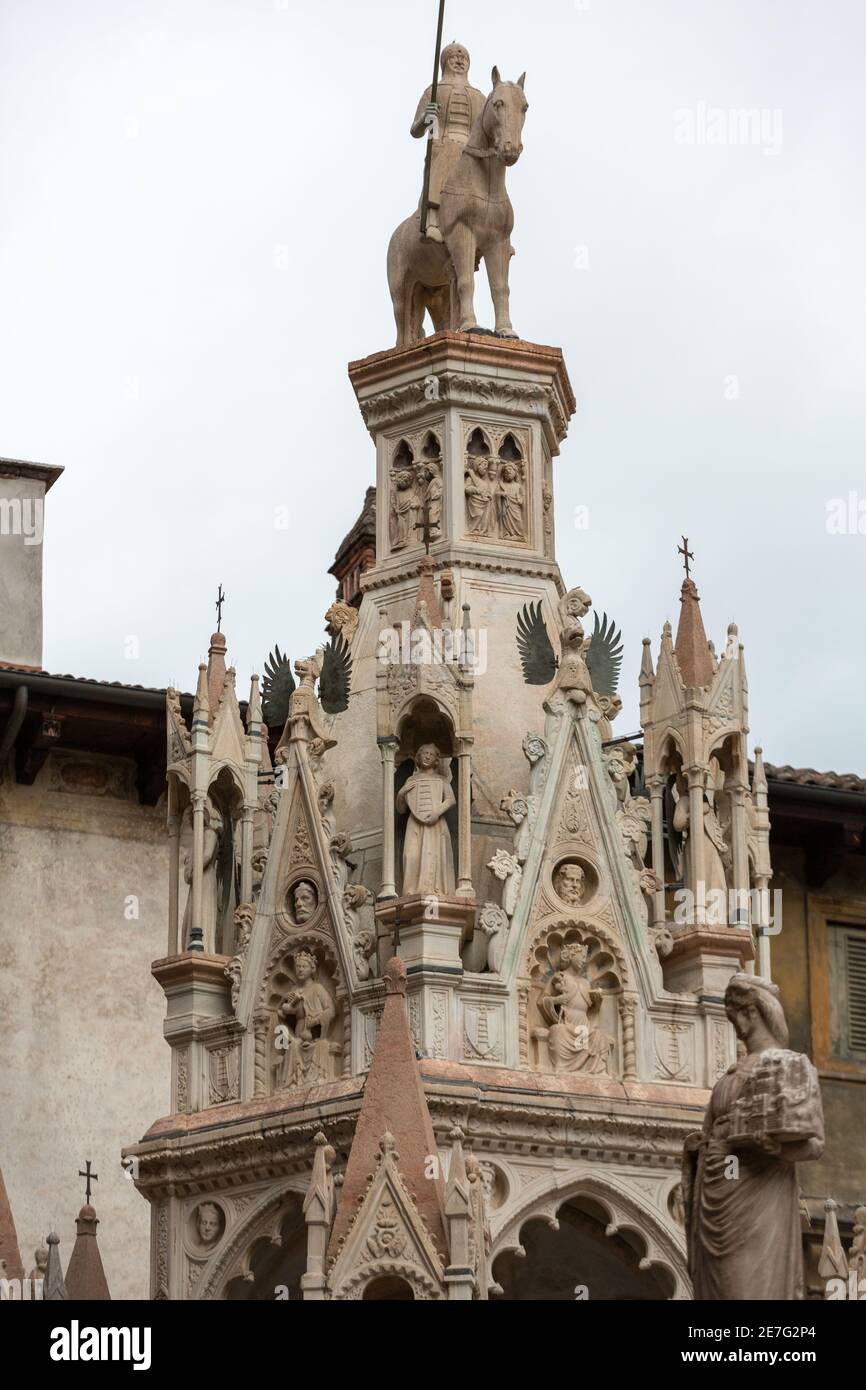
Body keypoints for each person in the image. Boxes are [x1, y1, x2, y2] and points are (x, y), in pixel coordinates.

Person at [682, 973, 824, 1300]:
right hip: (721, 1188)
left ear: (758, 1013)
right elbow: (722, 1147)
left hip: (759, 1198)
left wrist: (764, 1141)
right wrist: (701, 1149)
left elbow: (814, 1144)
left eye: (740, 1014)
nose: (737, 1024)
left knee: (750, 1289)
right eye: (732, 1016)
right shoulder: (728, 1077)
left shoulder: (790, 1065)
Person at [411, 42, 486, 244]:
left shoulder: (480, 96)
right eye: (454, 56)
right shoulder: (434, 91)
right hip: (442, 143)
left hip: (473, 151)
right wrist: (427, 116)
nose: (459, 60)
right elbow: (415, 130)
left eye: (463, 58)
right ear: (445, 62)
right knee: (450, 152)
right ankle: (432, 220)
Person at [539, 941, 612, 1074]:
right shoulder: (560, 977)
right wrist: (556, 1000)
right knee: (557, 1031)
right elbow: (541, 1001)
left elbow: (592, 1011)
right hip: (568, 1024)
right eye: (581, 956)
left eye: (585, 958)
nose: (583, 961)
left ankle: (591, 1070)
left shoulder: (585, 983)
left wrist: (597, 1002)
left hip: (583, 1027)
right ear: (571, 956)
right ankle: (563, 1068)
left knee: (599, 1036)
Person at [396, 743, 456, 895]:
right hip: (414, 824)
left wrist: (436, 812)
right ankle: (411, 890)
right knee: (411, 855)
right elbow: (401, 809)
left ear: (437, 760)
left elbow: (451, 800)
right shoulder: (411, 780)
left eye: (431, 754)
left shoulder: (441, 780)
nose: (427, 756)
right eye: (424, 753)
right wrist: (401, 793)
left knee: (433, 854)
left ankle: (434, 889)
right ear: (418, 757)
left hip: (435, 824)